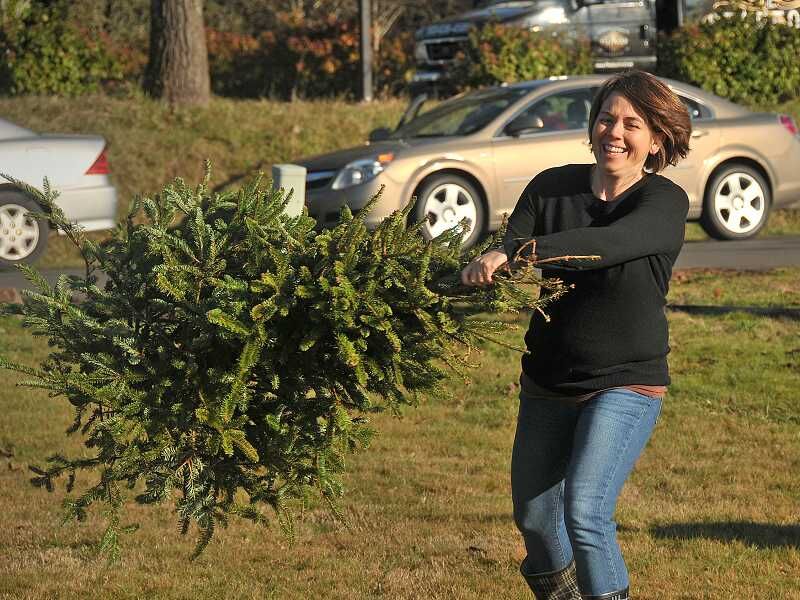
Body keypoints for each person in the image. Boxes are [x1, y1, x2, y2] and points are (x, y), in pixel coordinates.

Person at [460, 70, 692, 599]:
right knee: (537, 523)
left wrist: (520, 254)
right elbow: (509, 239)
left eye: (633, 124)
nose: (615, 131)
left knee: (585, 513)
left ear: (655, 140)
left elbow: (604, 245)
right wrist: (488, 261)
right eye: (607, 118)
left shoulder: (664, 203)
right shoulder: (550, 187)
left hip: (626, 381)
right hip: (548, 381)